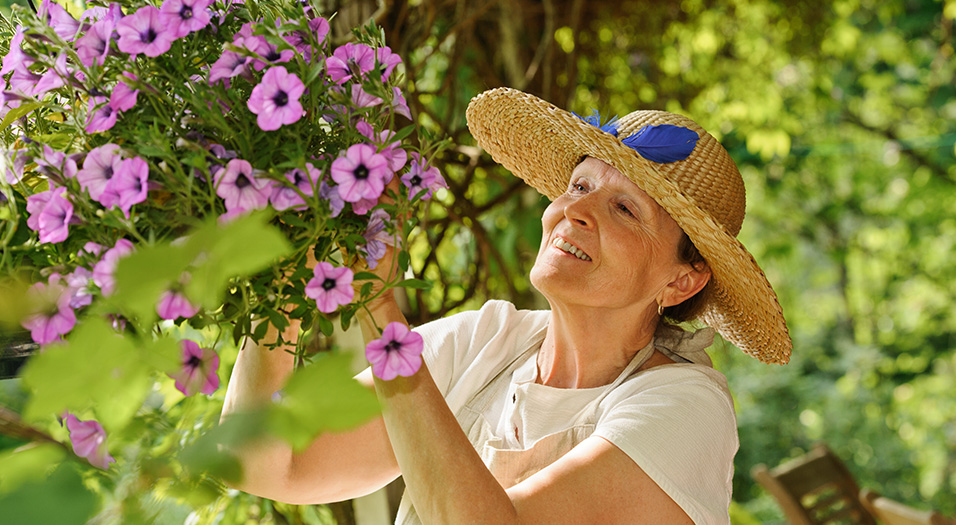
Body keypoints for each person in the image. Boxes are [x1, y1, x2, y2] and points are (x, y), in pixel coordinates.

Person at [222, 87, 792, 524]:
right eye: (579, 184)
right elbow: (263, 462)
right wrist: (285, 283)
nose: (577, 210)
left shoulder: (684, 407)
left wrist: (382, 314)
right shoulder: (483, 342)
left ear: (681, 282)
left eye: (624, 209)